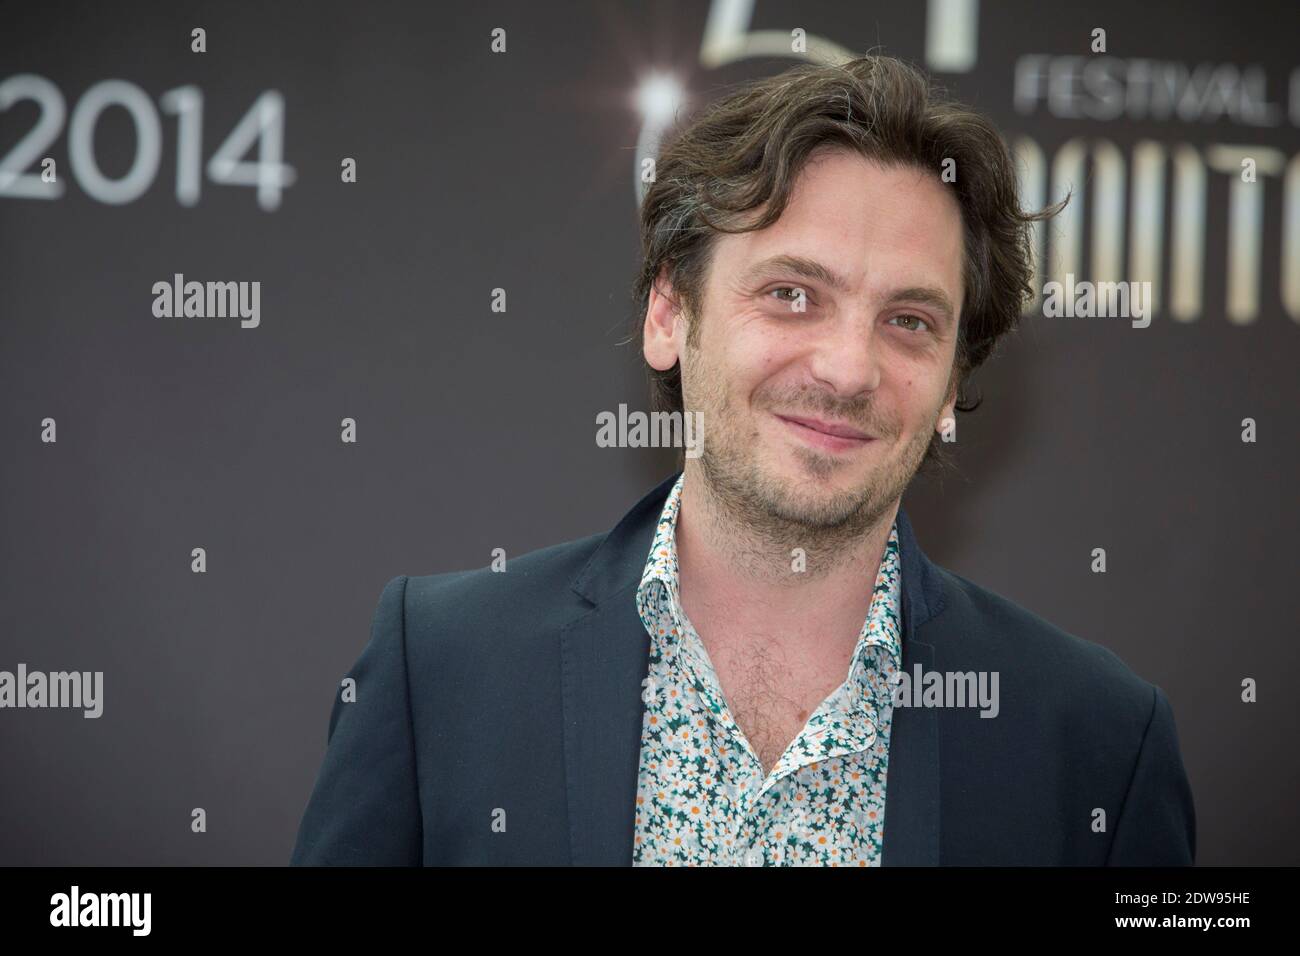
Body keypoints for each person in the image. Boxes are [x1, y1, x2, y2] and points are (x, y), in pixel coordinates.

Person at [291, 54, 1195, 866]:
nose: (849, 368)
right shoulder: (440, 669)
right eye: (792, 294)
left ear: (954, 378)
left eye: (910, 321)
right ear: (668, 316)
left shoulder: (1099, 747)